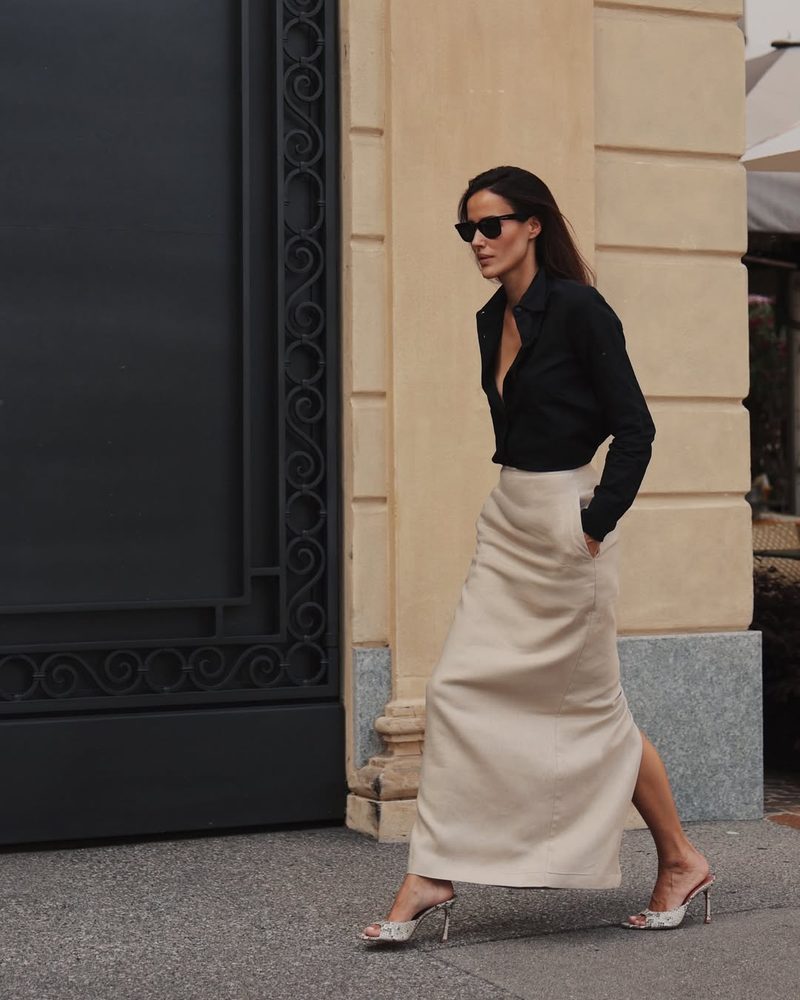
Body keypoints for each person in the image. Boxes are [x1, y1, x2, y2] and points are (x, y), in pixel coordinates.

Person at [360, 166, 714, 943]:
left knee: (592, 711)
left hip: (566, 523)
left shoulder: (581, 310)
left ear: (533, 227)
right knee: (454, 691)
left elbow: (637, 428)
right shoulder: (492, 318)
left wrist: (594, 522)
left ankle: (681, 858)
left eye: (491, 226)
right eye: (468, 230)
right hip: (508, 516)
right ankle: (433, 872)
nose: (478, 242)